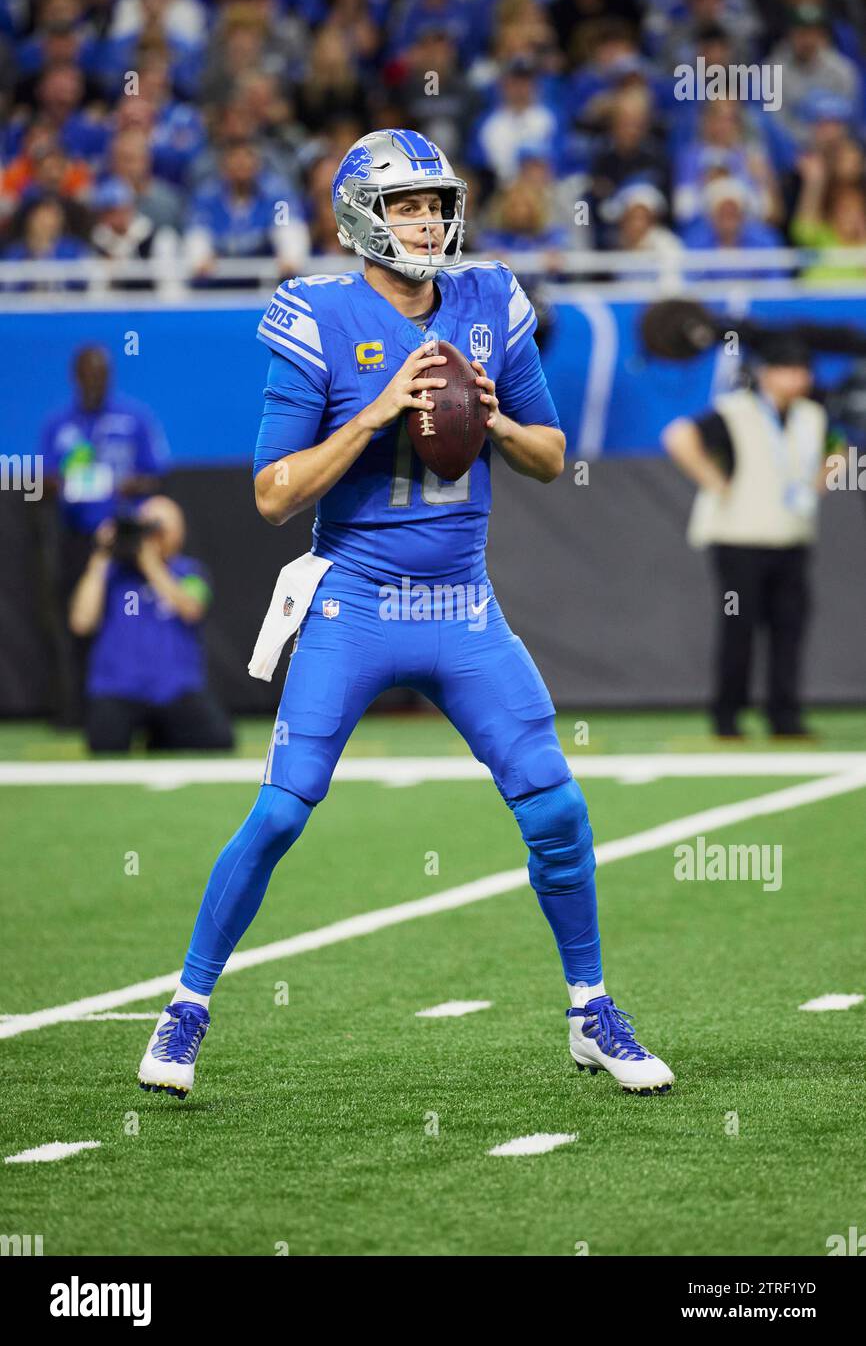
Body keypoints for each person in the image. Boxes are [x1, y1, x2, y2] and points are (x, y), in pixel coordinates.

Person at [138, 127, 675, 1101]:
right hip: (355, 597)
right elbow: (271, 494)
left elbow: (551, 456)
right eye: (404, 205)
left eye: (434, 204)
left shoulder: (486, 299)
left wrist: (489, 415)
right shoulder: (315, 313)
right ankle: (185, 1005)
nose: (425, 221)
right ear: (361, 216)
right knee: (280, 810)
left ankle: (589, 1008)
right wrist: (380, 408)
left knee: (554, 802)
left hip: (462, 603)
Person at [662, 335, 836, 738]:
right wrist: (714, 482)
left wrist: (818, 483)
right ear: (766, 374)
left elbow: (838, 449)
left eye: (802, 371)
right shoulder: (735, 411)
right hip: (738, 539)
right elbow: (678, 436)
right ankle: (727, 717)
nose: (796, 379)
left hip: (791, 539)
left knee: (789, 628)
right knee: (738, 628)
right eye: (787, 370)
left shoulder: (814, 415)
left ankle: (785, 716)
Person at [37, 345, 170, 726]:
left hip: (127, 537)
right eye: (88, 375)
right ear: (76, 377)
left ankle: (141, 704)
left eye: (102, 375)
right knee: (77, 621)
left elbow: (158, 474)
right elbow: (37, 482)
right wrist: (66, 480)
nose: (95, 382)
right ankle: (76, 710)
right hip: (79, 536)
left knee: (130, 618)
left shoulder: (133, 418)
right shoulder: (59, 424)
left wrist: (128, 485)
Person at [68, 495, 234, 754]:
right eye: (146, 528)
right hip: (119, 688)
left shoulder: (190, 572)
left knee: (217, 740)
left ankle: (161, 737)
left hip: (175, 689)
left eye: (159, 528)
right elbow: (81, 621)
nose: (152, 537)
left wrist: (150, 563)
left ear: (179, 533)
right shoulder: (112, 572)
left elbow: (192, 609)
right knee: (104, 746)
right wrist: (100, 557)